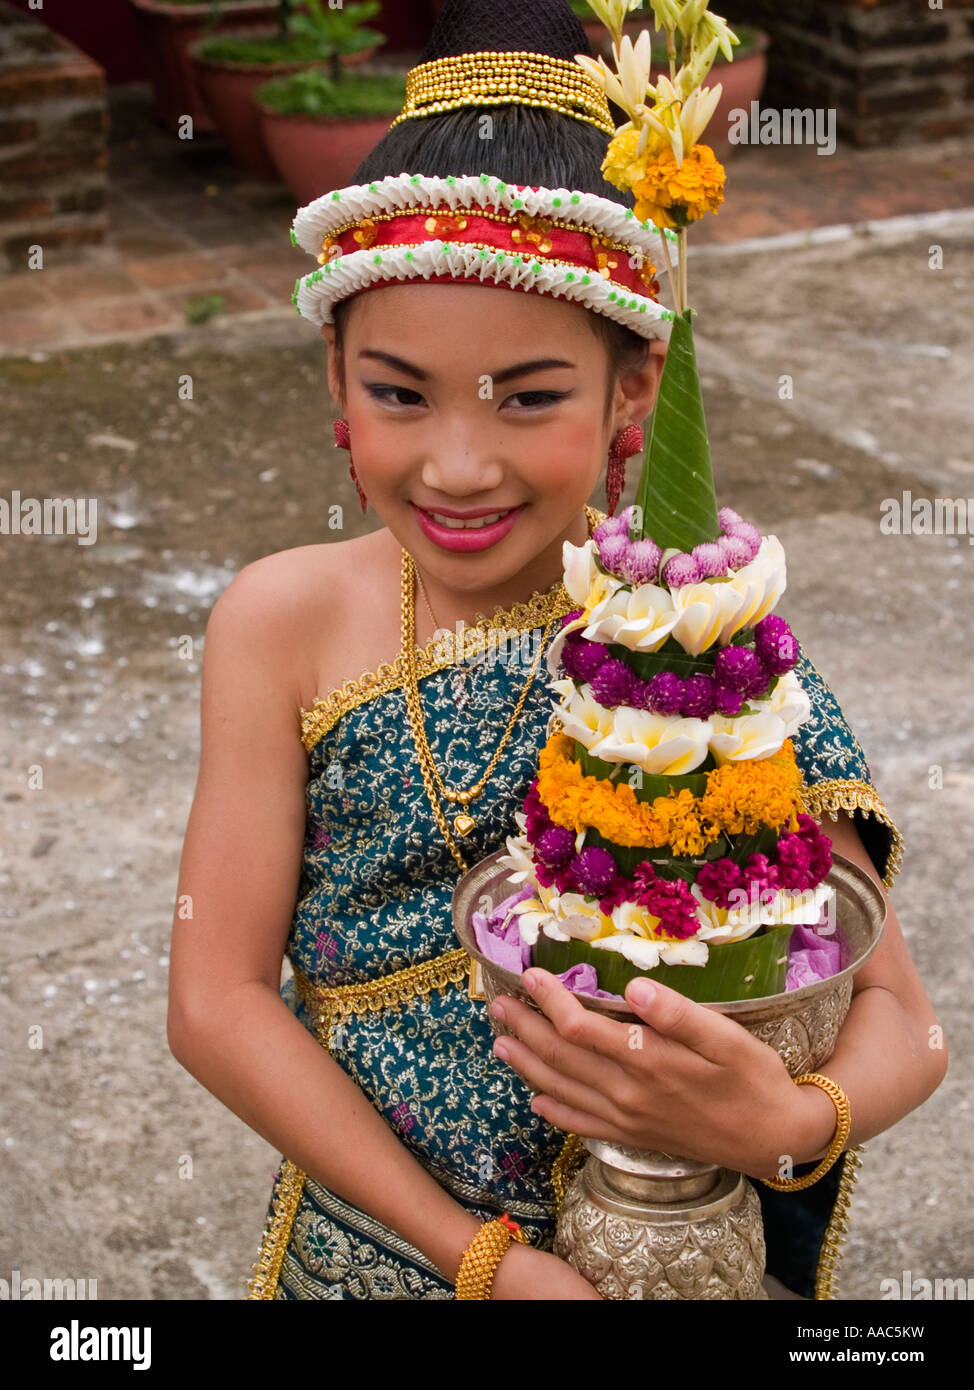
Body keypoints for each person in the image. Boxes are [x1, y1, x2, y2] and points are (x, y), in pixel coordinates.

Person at [166, 0, 947, 1301]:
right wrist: (478, 1259)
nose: (456, 464)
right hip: (380, 1253)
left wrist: (778, 1125)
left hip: (673, 1249)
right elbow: (221, 999)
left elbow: (899, 1020)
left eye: (528, 397)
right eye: (396, 391)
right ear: (333, 381)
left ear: (629, 391)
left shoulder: (701, 644)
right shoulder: (280, 623)